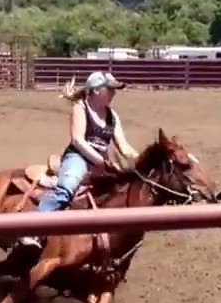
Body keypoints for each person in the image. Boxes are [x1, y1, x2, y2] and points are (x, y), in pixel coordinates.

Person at [20, 71, 138, 247]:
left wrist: (144, 158)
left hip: (101, 163)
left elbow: (125, 148)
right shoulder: (80, 108)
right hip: (78, 158)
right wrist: (101, 162)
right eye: (110, 89)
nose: (114, 93)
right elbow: (78, 140)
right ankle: (31, 228)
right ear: (97, 90)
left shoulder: (112, 116)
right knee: (66, 190)